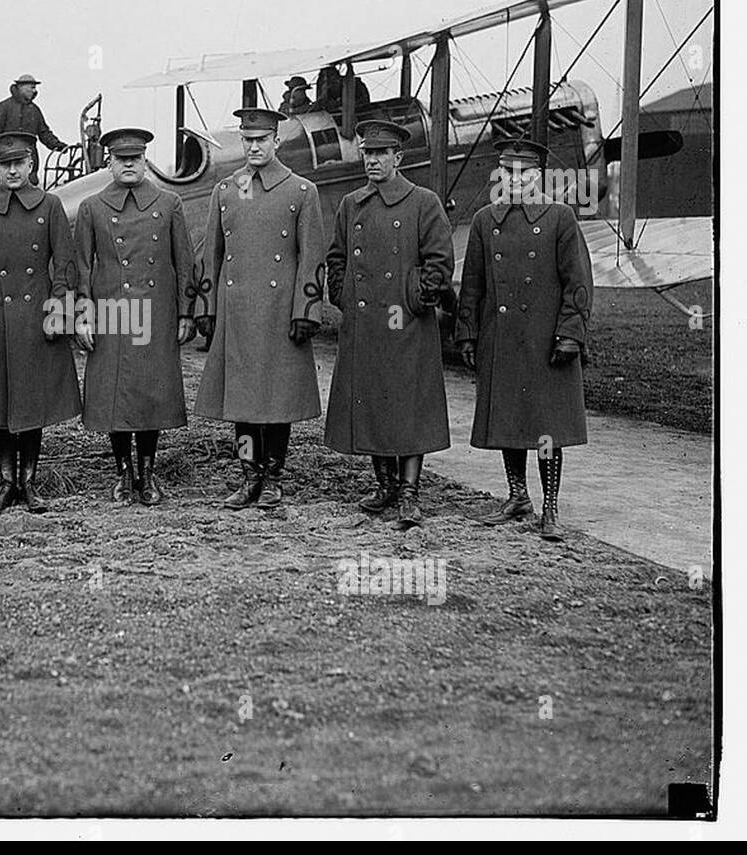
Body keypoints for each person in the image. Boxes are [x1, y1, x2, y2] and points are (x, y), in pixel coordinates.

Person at [455, 138, 592, 541]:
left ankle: (550, 508)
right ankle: (518, 496)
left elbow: (578, 283)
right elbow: (473, 285)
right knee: (508, 420)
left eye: (522, 173)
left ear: (538, 175)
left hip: (545, 341)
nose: (514, 180)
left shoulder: (560, 217)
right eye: (507, 172)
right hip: (500, 338)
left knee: (546, 426)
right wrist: (467, 333)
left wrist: (570, 333)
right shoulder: (485, 219)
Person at [324, 119, 454, 529]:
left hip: (408, 324)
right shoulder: (352, 204)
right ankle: (385, 485)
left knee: (410, 408)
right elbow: (337, 256)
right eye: (367, 153)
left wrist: (418, 298)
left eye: (381, 153)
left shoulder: (423, 202)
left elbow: (440, 261)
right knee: (374, 403)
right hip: (365, 324)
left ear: (399, 157)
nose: (372, 161)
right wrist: (343, 294)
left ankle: (410, 493)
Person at [194, 108, 327, 509]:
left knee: (276, 401)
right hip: (238, 313)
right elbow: (210, 254)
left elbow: (312, 255)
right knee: (243, 402)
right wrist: (207, 306)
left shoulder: (301, 191)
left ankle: (273, 476)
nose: (254, 147)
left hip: (280, 313)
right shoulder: (227, 190)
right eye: (248, 140)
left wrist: (307, 310)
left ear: (276, 142)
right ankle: (249, 474)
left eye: (262, 140)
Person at [72, 128, 196, 505]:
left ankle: (148, 470)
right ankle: (124, 472)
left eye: (136, 159)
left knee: (149, 395)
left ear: (145, 161)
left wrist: (186, 314)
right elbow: (80, 268)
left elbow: (184, 262)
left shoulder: (169, 202)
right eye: (120, 159)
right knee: (115, 397)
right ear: (108, 163)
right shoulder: (92, 208)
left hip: (155, 313)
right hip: (112, 312)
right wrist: (81, 315)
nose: (128, 165)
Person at [0, 131, 81, 513]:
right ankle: (5, 483)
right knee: (0, 404)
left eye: (19, 163)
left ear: (31, 164)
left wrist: (60, 310)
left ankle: (28, 484)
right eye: (4, 164)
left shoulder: (50, 205)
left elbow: (64, 264)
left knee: (32, 403)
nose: (12, 171)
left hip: (37, 319)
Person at [0, 74, 71, 184]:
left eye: (35, 88)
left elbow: (44, 133)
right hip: (7, 165)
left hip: (29, 168)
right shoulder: (3, 107)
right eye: (32, 87)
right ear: (21, 87)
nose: (34, 91)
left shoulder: (35, 110)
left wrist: (58, 145)